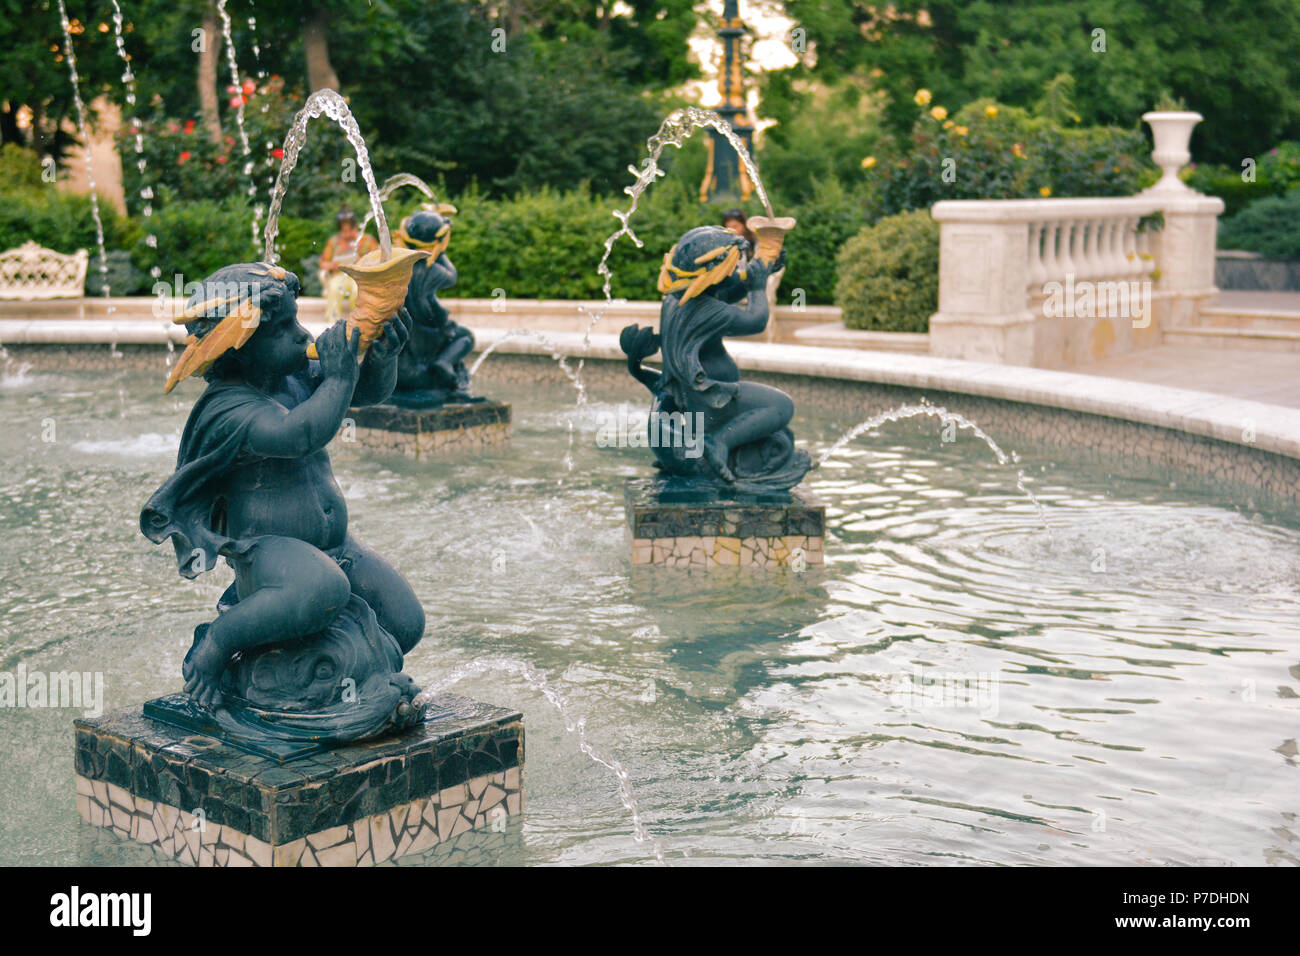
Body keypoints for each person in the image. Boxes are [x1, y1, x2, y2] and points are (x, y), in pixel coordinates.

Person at [141, 263, 423, 709]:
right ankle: (218, 643)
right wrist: (339, 375)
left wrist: (381, 359)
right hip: (267, 553)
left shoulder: (292, 377)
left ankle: (353, 677)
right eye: (283, 327)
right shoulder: (227, 407)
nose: (301, 333)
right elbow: (299, 435)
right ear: (240, 347)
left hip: (335, 545)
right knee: (322, 590)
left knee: (405, 621)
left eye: (297, 317)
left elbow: (364, 394)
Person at [722, 208, 785, 341]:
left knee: (764, 294)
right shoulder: (725, 245)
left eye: (735, 226)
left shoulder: (755, 242)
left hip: (752, 279)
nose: (732, 230)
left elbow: (762, 264)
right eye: (728, 227)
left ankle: (770, 338)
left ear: (743, 225)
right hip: (736, 281)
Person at [319, 208, 379, 322]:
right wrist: (333, 265)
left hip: (360, 276)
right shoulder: (334, 241)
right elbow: (323, 263)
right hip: (340, 275)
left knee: (357, 291)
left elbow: (378, 259)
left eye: (348, 231)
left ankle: (357, 323)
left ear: (355, 227)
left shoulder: (367, 240)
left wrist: (363, 260)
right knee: (334, 289)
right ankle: (332, 323)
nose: (346, 234)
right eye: (343, 231)